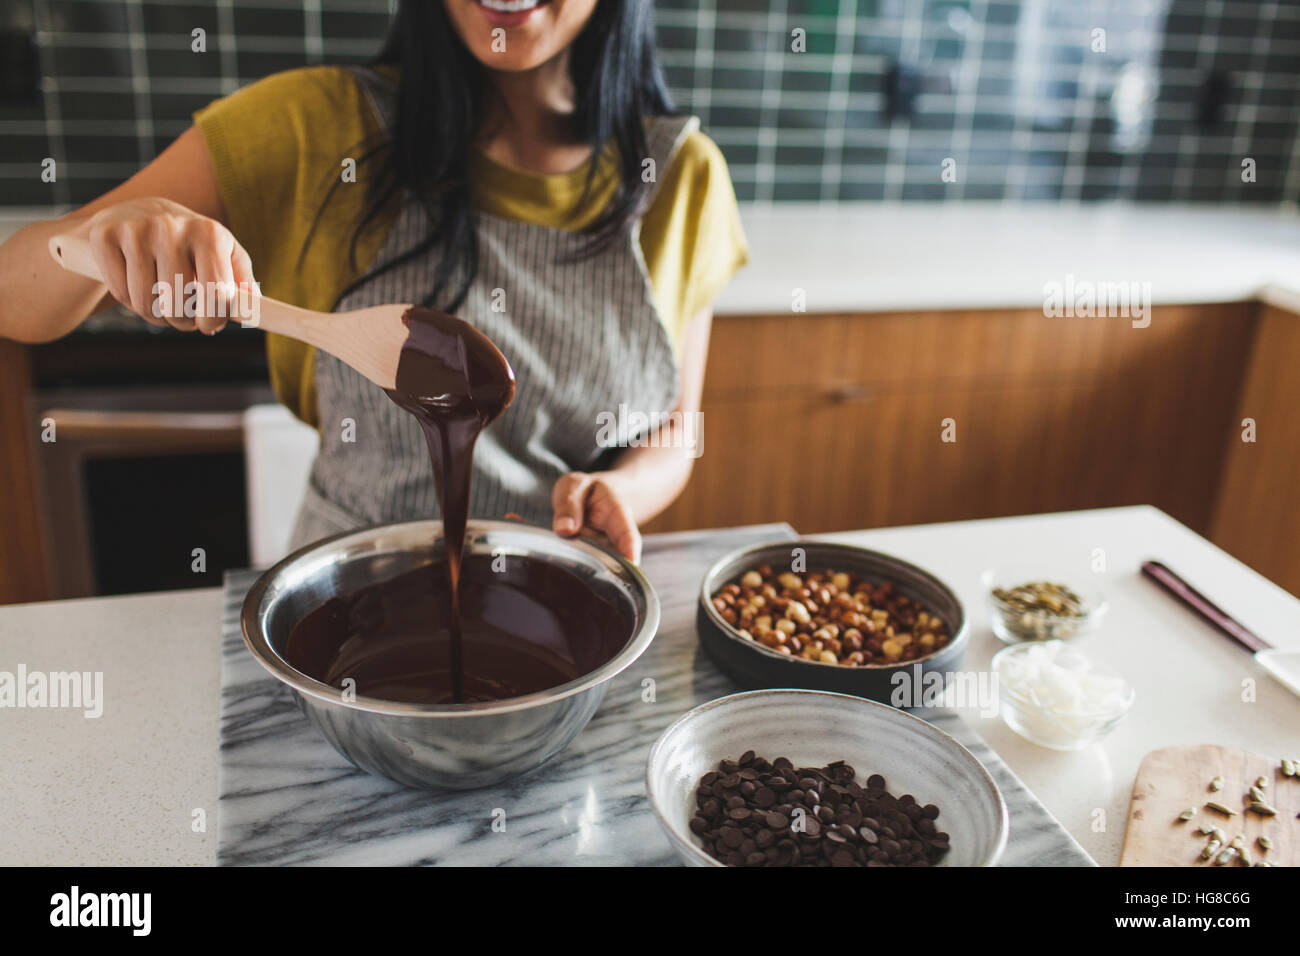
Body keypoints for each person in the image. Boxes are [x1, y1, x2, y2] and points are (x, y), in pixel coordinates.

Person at [0, 0, 747, 562]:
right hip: (348, 602)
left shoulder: (681, 177)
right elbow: (13, 294)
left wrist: (620, 492)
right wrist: (94, 241)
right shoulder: (315, 126)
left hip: (564, 594)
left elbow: (674, 432)